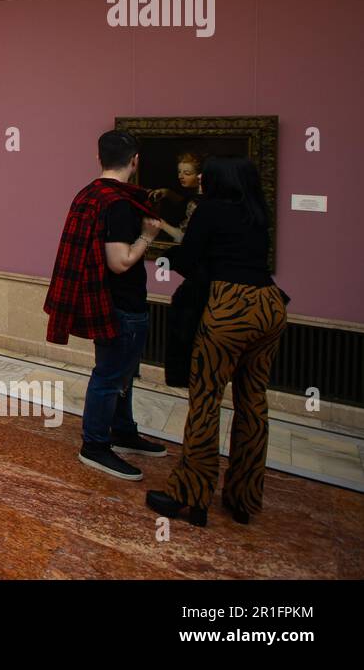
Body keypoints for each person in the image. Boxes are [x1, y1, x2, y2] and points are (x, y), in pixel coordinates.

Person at [147, 156, 288, 527]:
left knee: (206, 399)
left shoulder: (209, 211)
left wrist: (175, 255)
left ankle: (190, 496)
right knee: (254, 402)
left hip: (230, 307)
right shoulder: (257, 213)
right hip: (270, 305)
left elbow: (190, 260)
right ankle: (243, 498)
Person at [44, 130, 167, 481]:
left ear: (99, 158)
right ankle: (95, 444)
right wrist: (148, 236)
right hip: (120, 302)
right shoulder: (119, 203)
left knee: (121, 373)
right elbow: (120, 261)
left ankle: (122, 431)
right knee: (110, 375)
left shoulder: (90, 194)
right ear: (135, 161)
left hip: (104, 299)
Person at [150, 151, 204, 242]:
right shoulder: (196, 196)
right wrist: (168, 193)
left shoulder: (199, 203)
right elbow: (187, 202)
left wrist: (161, 224)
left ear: (200, 176)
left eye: (187, 173)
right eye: (179, 172)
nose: (180, 176)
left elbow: (184, 238)